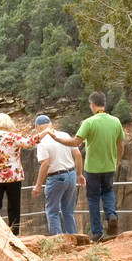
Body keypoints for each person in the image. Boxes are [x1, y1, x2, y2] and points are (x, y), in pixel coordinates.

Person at [45, 92, 124, 241]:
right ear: (104, 104)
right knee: (108, 192)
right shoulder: (116, 122)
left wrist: (57, 138)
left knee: (93, 198)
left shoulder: (89, 122)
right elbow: (121, 146)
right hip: (109, 166)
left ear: (92, 104)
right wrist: (117, 161)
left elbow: (75, 142)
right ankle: (111, 215)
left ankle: (97, 233)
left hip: (92, 169)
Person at [0, 113, 47, 236]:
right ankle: (14, 235)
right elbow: (29, 143)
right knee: (14, 207)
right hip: (14, 177)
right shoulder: (14, 137)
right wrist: (44, 133)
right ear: (9, 123)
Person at [29, 113, 83, 236]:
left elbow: (45, 164)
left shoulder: (42, 142)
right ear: (51, 124)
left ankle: (58, 241)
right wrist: (79, 174)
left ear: (38, 127)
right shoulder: (64, 135)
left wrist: (38, 185)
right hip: (71, 175)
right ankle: (74, 238)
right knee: (68, 211)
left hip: (56, 178)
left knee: (52, 211)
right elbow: (78, 155)